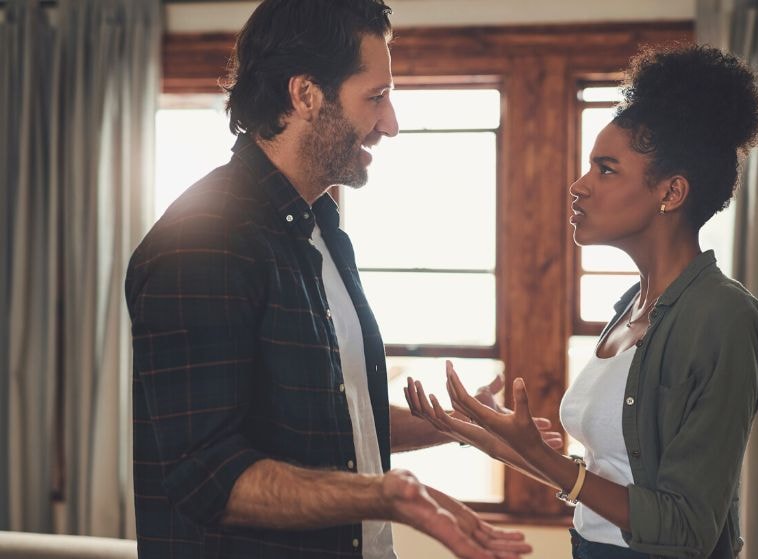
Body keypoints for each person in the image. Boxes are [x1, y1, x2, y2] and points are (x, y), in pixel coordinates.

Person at [125, 1, 547, 558]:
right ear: (305, 95)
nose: (391, 124)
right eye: (376, 96)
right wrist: (387, 497)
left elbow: (331, 422)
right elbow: (209, 477)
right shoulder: (204, 239)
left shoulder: (319, 227)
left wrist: (454, 427)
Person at [405, 44, 758, 559]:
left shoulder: (724, 317)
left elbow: (688, 527)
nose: (578, 187)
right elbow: (609, 479)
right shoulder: (631, 304)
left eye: (605, 170)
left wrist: (547, 461)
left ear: (671, 192)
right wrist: (482, 436)